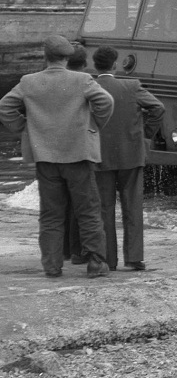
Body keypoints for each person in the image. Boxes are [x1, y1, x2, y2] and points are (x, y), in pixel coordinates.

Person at [0, 35, 113, 278]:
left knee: (50, 214)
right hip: (78, 155)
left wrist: (26, 128)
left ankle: (52, 265)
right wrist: (93, 126)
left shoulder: (28, 81)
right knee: (88, 212)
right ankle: (95, 263)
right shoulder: (82, 80)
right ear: (67, 57)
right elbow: (106, 101)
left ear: (45, 56)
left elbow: (5, 107)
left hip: (46, 158)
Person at [93, 46, 165, 271]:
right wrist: (144, 134)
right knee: (132, 207)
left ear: (95, 65)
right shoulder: (131, 85)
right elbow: (158, 108)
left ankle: (108, 260)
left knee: (104, 209)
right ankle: (134, 258)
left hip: (99, 156)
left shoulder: (89, 87)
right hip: (131, 154)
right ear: (114, 65)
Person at [62, 44, 90, 264]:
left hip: (50, 151)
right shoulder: (86, 83)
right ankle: (78, 251)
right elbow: (104, 105)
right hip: (79, 149)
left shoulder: (42, 82)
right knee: (82, 205)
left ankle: (61, 251)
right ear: (85, 63)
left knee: (58, 205)